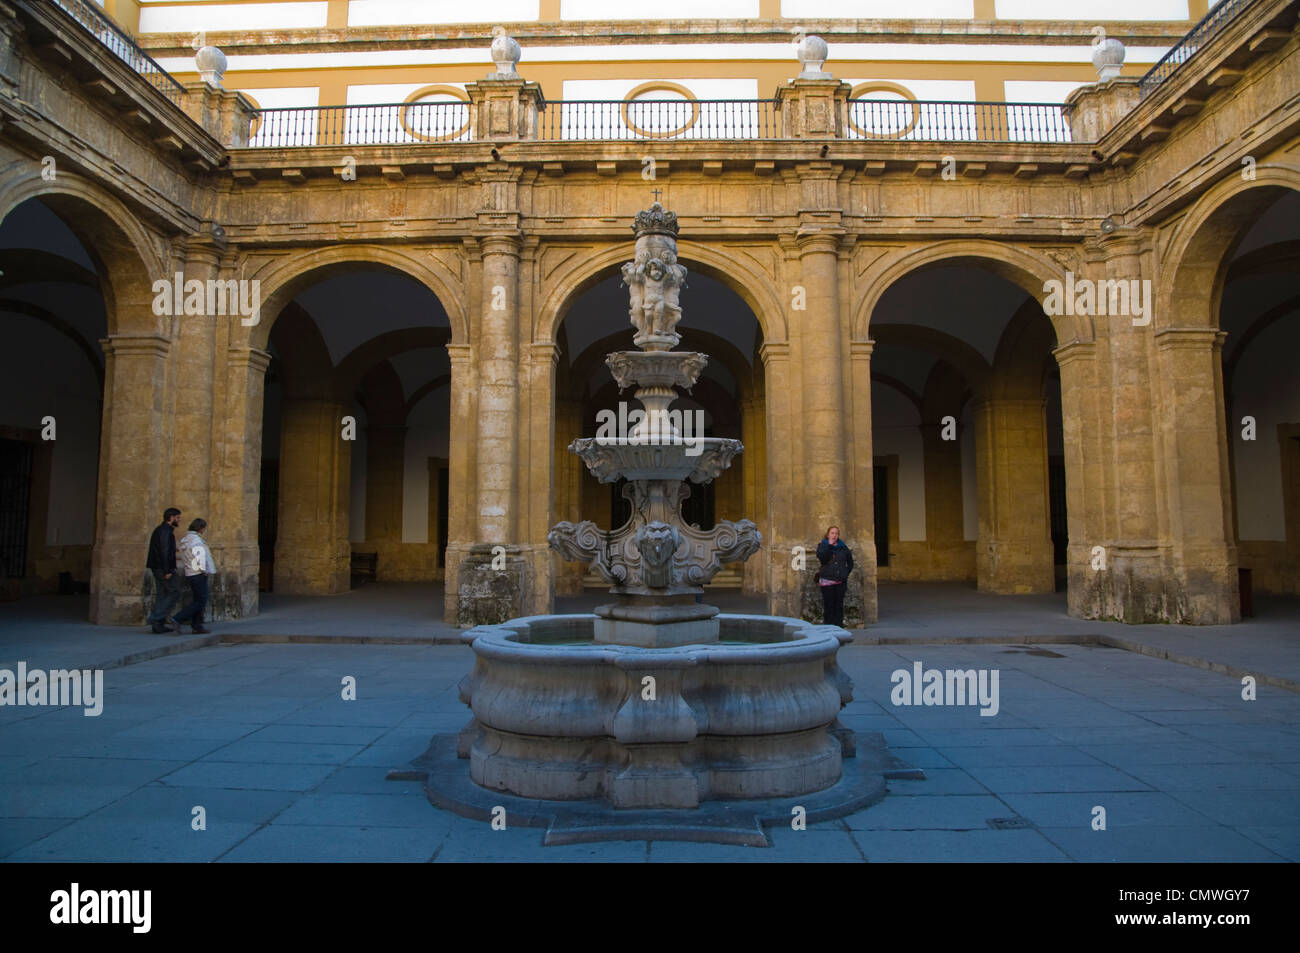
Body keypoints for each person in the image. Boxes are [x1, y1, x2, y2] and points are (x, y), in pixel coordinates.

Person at [174, 518, 215, 635]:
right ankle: (178, 618)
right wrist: (205, 571)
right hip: (198, 573)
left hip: (190, 572)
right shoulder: (196, 541)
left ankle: (197, 626)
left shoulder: (186, 540)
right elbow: (200, 558)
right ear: (200, 528)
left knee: (198, 600)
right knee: (201, 601)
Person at [145, 507, 183, 634]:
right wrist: (168, 570)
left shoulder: (161, 530)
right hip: (163, 568)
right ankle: (156, 618)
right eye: (177, 517)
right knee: (174, 591)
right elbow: (164, 551)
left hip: (158, 567)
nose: (179, 520)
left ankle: (158, 624)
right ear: (171, 517)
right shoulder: (165, 531)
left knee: (163, 594)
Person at [816, 525, 853, 628]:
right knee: (829, 605)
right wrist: (829, 546)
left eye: (836, 533)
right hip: (827, 581)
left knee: (839, 605)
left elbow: (850, 563)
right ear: (828, 534)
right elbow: (822, 558)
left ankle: (838, 627)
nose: (834, 535)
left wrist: (844, 573)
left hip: (840, 581)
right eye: (832, 533)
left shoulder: (843, 548)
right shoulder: (822, 546)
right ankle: (828, 627)